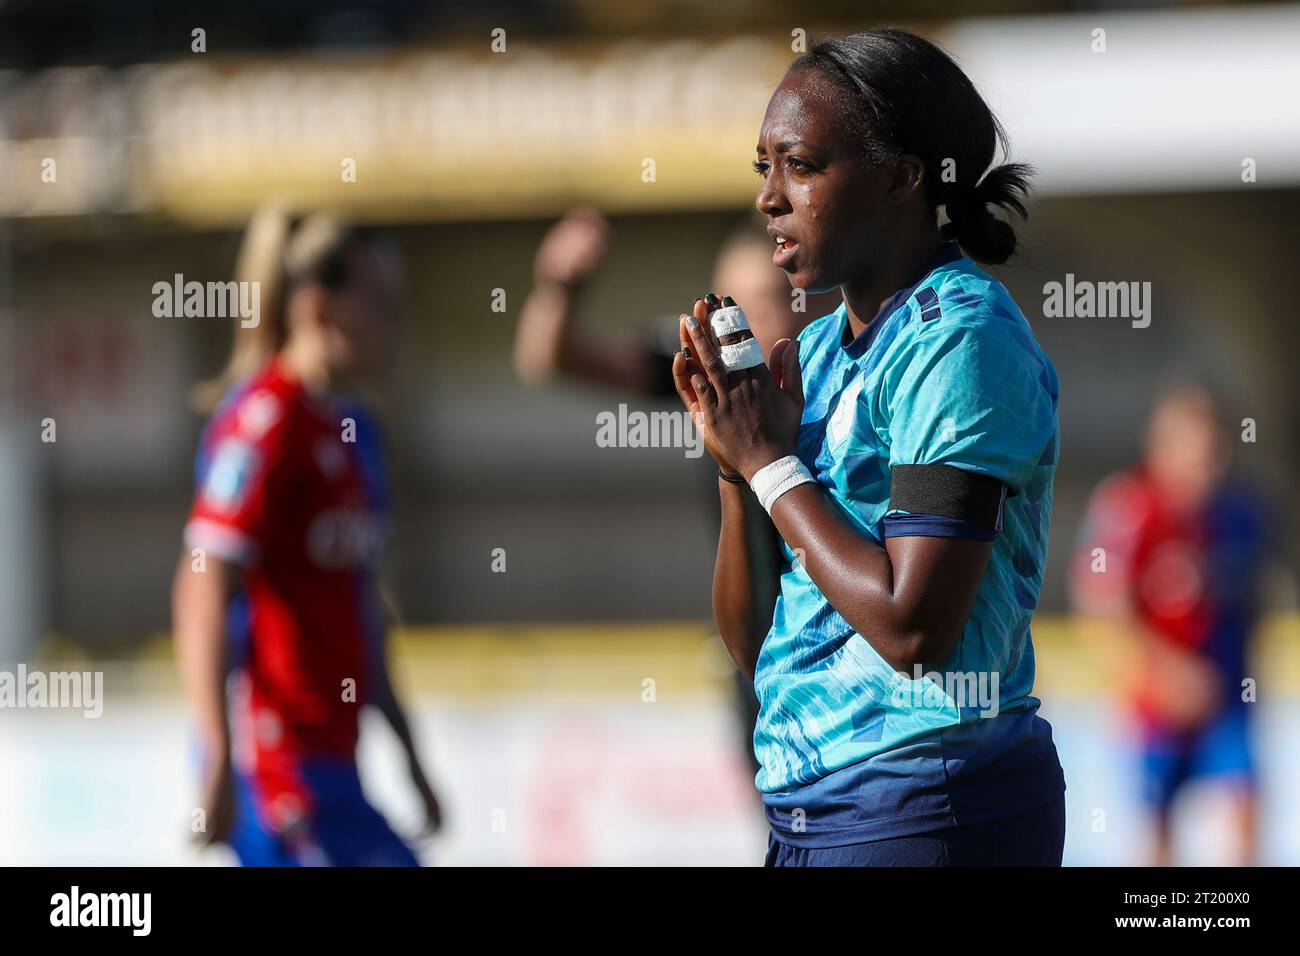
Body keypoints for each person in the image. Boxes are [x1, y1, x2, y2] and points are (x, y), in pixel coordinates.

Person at [673, 28, 1065, 866]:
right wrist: (732, 465)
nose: (768, 198)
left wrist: (770, 466)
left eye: (803, 166)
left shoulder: (962, 337)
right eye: (763, 168)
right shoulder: (813, 354)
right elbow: (758, 645)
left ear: (900, 178)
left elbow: (915, 629)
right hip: (814, 815)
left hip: (932, 805)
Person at [513, 209, 837, 779]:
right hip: (761, 666)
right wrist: (560, 287)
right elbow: (551, 357)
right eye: (725, 308)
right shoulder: (710, 373)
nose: (734, 329)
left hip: (857, 666)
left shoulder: (848, 373)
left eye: (760, 301)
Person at [172, 208, 442, 866]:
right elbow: (204, 578)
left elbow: (361, 604)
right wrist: (216, 749)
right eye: (380, 305)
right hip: (271, 767)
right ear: (322, 309)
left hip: (335, 764)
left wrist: (409, 754)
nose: (397, 326)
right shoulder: (265, 422)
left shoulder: (357, 434)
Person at [1071, 384, 1268, 866]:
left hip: (1222, 694)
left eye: (1214, 453)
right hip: (1152, 709)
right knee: (1156, 825)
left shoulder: (1241, 514)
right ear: (1161, 446)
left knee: (1245, 807)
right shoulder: (1126, 508)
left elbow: (1255, 595)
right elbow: (1101, 608)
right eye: (1194, 453)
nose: (1206, 469)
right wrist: (1164, 675)